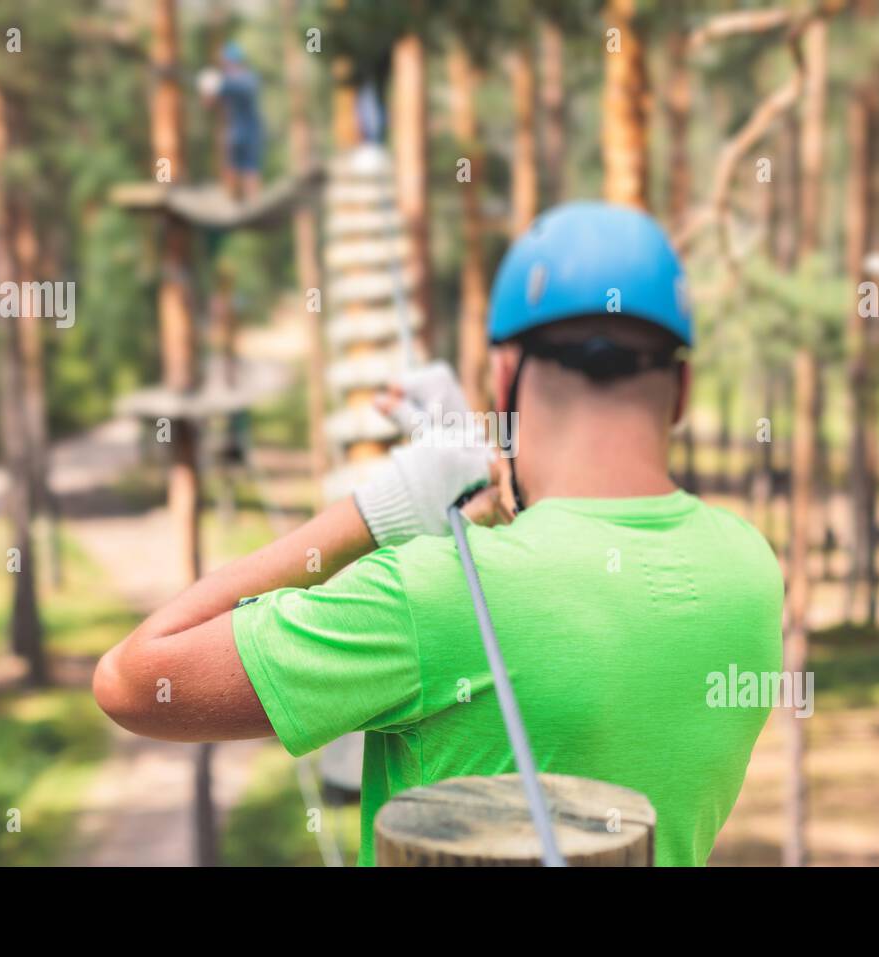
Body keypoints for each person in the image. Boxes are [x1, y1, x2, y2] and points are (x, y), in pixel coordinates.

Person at [93, 202, 784, 866]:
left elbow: (131, 678)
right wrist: (485, 501)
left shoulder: (433, 593)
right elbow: (571, 603)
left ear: (506, 373)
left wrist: (381, 508)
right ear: (684, 388)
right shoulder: (749, 571)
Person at [198, 41, 263, 201]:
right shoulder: (226, 80)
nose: (227, 66)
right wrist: (208, 88)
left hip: (250, 131)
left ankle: (253, 202)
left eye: (228, 62)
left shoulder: (246, 79)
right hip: (235, 131)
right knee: (232, 167)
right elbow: (208, 103)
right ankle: (231, 201)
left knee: (250, 169)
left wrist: (214, 85)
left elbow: (242, 88)